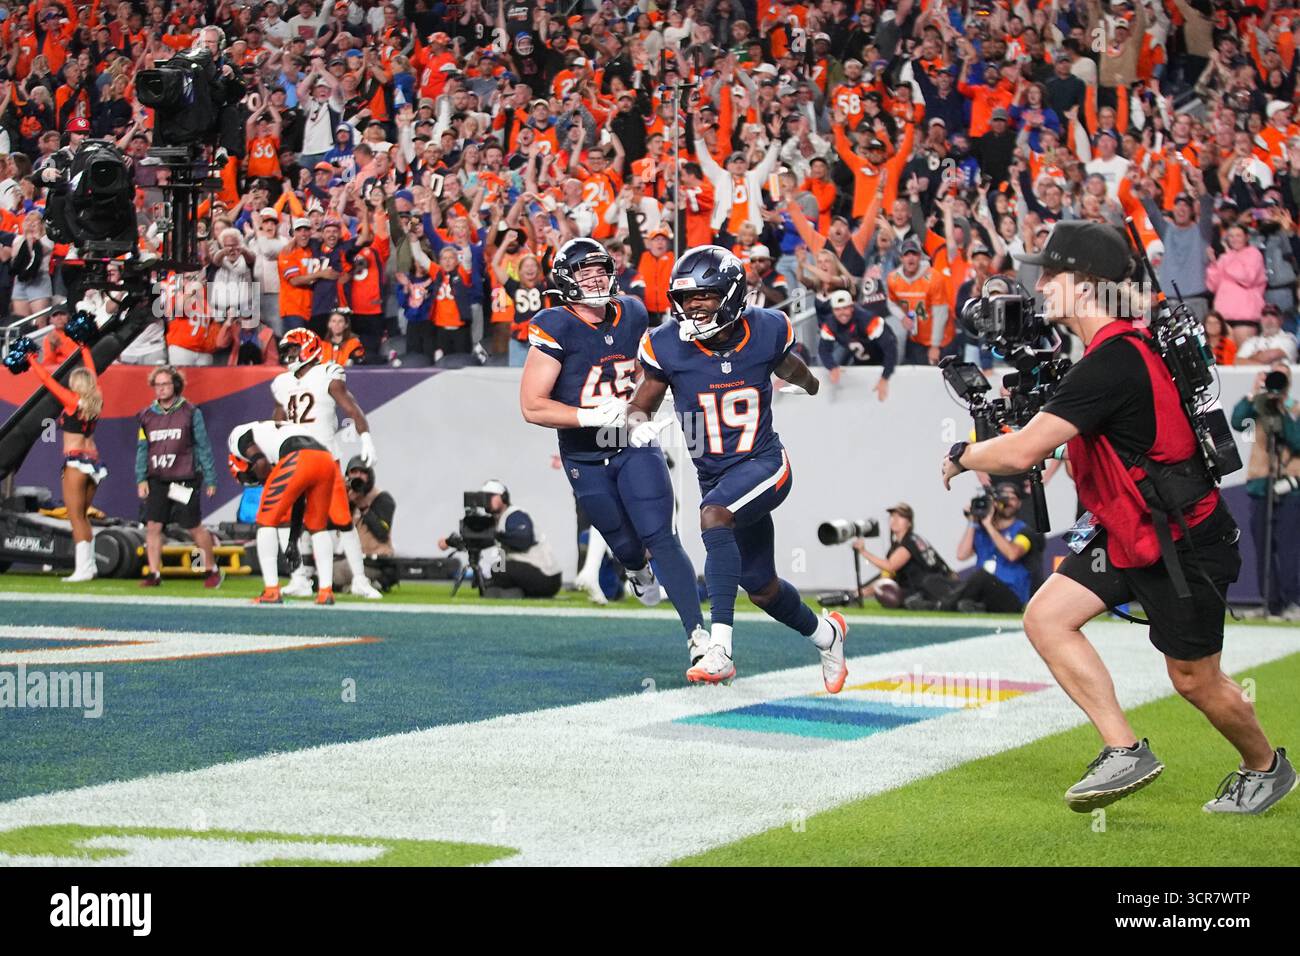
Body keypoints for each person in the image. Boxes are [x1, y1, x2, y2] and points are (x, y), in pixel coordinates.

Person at [941, 220, 1294, 815]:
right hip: (1132, 526)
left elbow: (1024, 451)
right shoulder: (1113, 351)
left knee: (1195, 681)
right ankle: (1123, 748)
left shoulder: (1112, 360)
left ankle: (1266, 767)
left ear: (1085, 286)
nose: (1042, 283)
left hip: (1182, 540)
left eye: (1052, 273)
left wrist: (962, 454)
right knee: (1047, 618)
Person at [629, 245, 848, 691]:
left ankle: (720, 649)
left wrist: (809, 383)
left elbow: (790, 366)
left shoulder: (766, 331)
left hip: (765, 464)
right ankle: (829, 635)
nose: (694, 307)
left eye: (704, 297)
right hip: (717, 476)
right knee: (761, 587)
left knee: (713, 515)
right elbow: (642, 403)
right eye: (687, 299)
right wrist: (633, 428)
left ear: (731, 295)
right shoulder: (666, 344)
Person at [519, 237, 707, 659]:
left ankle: (699, 638)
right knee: (624, 545)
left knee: (662, 535)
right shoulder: (555, 324)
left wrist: (641, 413)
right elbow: (532, 406)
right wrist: (590, 416)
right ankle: (636, 570)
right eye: (585, 272)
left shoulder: (634, 311)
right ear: (566, 279)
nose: (596, 278)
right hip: (585, 454)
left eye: (601, 270)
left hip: (630, 442)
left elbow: (649, 370)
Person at [271, 328, 382, 600]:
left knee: (342, 520)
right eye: (286, 351)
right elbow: (278, 421)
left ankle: (359, 579)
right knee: (285, 520)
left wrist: (366, 438)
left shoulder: (327, 373)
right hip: (294, 459)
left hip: (324, 458)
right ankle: (299, 577)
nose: (289, 356)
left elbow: (350, 407)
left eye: (294, 350)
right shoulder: (283, 383)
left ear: (308, 348)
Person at [7, 330, 103, 582]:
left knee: (75, 517)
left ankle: (82, 569)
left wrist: (31, 360)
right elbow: (92, 372)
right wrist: (84, 349)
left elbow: (48, 383)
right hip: (95, 463)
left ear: (77, 385)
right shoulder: (96, 399)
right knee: (83, 516)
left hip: (75, 462)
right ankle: (90, 565)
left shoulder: (72, 401)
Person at [228, 420, 354, 606]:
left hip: (298, 456)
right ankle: (325, 592)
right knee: (318, 527)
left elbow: (261, 463)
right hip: (324, 459)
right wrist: (292, 540)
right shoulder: (273, 434)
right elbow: (298, 500)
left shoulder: (237, 438)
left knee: (265, 520)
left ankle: (271, 590)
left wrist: (267, 478)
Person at [135, 366, 223, 589]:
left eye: (166, 384)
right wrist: (141, 478)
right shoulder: (146, 416)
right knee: (153, 526)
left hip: (183, 478)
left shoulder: (191, 412)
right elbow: (143, 448)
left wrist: (211, 479)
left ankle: (210, 569)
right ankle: (155, 573)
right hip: (157, 479)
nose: (162, 389)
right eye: (158, 384)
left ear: (174, 385)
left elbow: (203, 446)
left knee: (192, 526)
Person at [1231, 364, 1300, 620]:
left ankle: (1291, 602)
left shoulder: (1294, 409)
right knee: (1263, 547)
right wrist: (1254, 395)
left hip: (1290, 487)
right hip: (1261, 486)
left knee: (1289, 548)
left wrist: (1283, 409)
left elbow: (1297, 442)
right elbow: (1238, 422)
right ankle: (1269, 602)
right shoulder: (1257, 407)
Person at [438, 480, 561, 598]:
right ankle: (512, 592)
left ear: (503, 497)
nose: (485, 500)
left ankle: (504, 590)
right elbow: (478, 541)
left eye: (490, 496)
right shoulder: (497, 521)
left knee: (500, 569)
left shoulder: (514, 515)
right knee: (498, 568)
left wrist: (497, 535)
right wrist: (450, 542)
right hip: (536, 575)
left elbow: (523, 540)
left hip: (546, 576)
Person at [942, 482, 1035, 613]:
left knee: (982, 576)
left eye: (1012, 498)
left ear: (1019, 503)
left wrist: (989, 526)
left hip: (1010, 596)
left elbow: (1012, 554)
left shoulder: (1024, 531)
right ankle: (972, 606)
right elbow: (962, 555)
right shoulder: (980, 530)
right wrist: (972, 521)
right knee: (934, 580)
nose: (1007, 502)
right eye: (1003, 498)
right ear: (995, 502)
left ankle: (940, 606)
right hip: (981, 590)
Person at [853, 503, 957, 608]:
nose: (895, 520)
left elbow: (890, 566)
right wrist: (860, 593)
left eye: (901, 516)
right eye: (893, 516)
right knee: (890, 593)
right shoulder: (909, 541)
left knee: (894, 597)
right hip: (935, 586)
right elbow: (886, 577)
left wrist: (863, 552)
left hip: (934, 589)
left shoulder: (909, 542)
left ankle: (932, 605)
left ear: (909, 523)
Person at [816, 289, 897, 401]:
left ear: (852, 307)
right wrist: (832, 367)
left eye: (845, 308)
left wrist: (885, 377)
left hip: (881, 356)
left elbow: (890, 348)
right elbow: (823, 350)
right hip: (861, 357)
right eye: (837, 309)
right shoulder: (830, 324)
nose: (842, 313)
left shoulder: (867, 320)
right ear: (833, 310)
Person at [333, 456, 394, 593]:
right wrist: (346, 503)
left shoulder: (381, 498)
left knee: (331, 573)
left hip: (374, 562)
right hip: (349, 558)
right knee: (322, 567)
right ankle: (358, 585)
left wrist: (363, 506)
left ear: (369, 476)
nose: (358, 477)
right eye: (354, 472)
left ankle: (363, 583)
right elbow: (334, 527)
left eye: (362, 473)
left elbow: (382, 533)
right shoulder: (346, 498)